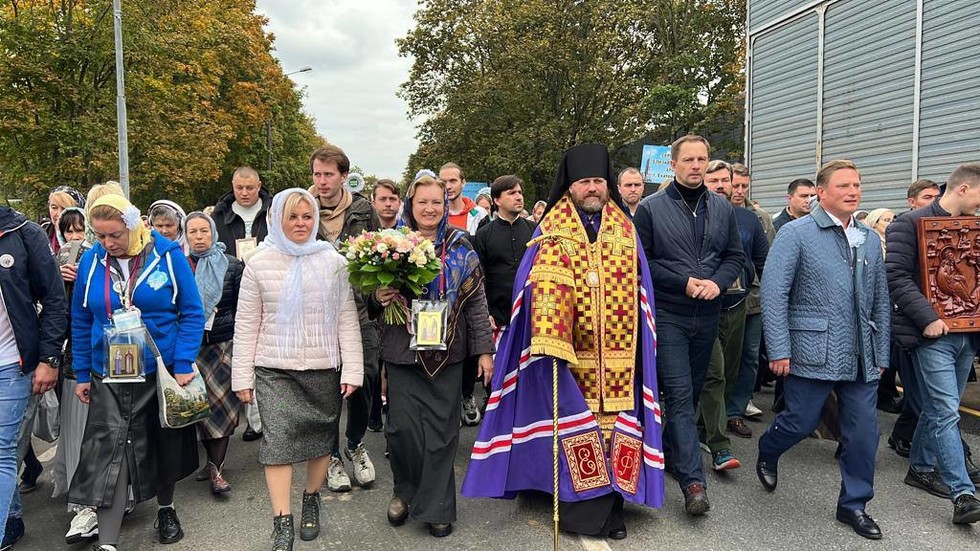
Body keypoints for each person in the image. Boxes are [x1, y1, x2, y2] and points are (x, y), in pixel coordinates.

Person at [462, 144, 665, 541]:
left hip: (621, 354)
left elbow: (644, 288)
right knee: (575, 425)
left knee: (617, 427)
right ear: (570, 186)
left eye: (598, 181)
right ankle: (584, 509)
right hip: (569, 353)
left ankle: (615, 502)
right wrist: (551, 331)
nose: (592, 188)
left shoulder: (625, 228)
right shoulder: (552, 227)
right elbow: (535, 283)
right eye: (584, 182)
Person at [756, 160, 890, 540]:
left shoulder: (868, 238)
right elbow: (775, 294)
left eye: (857, 185)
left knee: (863, 434)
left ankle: (854, 504)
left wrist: (882, 353)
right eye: (844, 185)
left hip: (862, 354)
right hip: (813, 348)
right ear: (822, 192)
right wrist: (778, 349)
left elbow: (880, 300)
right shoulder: (796, 234)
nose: (853, 191)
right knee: (800, 422)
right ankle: (769, 448)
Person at [69, 194, 205, 550]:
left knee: (162, 444)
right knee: (107, 452)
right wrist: (82, 372)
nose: (107, 243)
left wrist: (184, 362)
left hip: (158, 369)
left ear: (133, 226)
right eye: (100, 235)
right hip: (108, 371)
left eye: (114, 235)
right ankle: (108, 542)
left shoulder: (168, 255)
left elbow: (192, 312)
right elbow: (81, 319)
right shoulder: (92, 260)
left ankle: (166, 508)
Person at [232, 188, 363, 551]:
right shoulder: (258, 262)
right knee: (277, 445)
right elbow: (247, 324)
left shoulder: (332, 260)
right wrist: (242, 377)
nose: (301, 223)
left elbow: (346, 318)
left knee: (321, 440)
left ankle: (311, 499)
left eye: (307, 217)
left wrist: (353, 369)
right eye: (293, 217)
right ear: (277, 218)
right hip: (274, 369)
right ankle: (282, 522)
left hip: (322, 366)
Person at [372, 174, 494, 538]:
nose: (430, 209)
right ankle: (404, 492)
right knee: (403, 430)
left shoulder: (462, 246)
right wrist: (377, 296)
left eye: (436, 202)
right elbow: (367, 297)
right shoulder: (390, 244)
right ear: (410, 205)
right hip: (402, 351)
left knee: (442, 433)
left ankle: (438, 506)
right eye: (422, 202)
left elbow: (476, 303)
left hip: (448, 352)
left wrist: (484, 351)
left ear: (445, 205)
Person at [632, 135, 745, 516]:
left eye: (702, 159)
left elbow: (734, 256)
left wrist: (718, 282)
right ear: (674, 164)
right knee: (679, 395)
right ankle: (693, 484)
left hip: (709, 312)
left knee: (693, 392)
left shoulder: (722, 207)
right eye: (689, 160)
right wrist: (684, 282)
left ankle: (667, 449)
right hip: (670, 313)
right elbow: (643, 261)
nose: (696, 166)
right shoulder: (651, 208)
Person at [885, 164, 980, 524]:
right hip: (931, 335)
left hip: (967, 333)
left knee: (943, 407)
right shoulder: (908, 224)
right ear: (963, 189)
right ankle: (962, 493)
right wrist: (928, 318)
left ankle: (921, 468)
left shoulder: (974, 228)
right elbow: (896, 277)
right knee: (944, 411)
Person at [308, 144, 381, 492]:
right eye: (317, 174)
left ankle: (354, 442)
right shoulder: (301, 209)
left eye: (328, 174)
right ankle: (332, 455)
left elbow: (380, 253)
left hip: (359, 310)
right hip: (317, 317)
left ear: (343, 176)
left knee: (365, 378)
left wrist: (375, 295)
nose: (322, 181)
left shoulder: (364, 210)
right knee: (326, 390)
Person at [0, 204, 66, 550]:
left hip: (12, 363)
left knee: (1, 450)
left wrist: (49, 358)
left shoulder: (23, 233)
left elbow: (54, 299)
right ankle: (11, 519)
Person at [698, 160, 767, 470]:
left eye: (725, 180)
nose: (721, 185)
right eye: (714, 180)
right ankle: (716, 441)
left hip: (738, 303)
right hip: (702, 305)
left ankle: (709, 425)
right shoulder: (693, 214)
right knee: (713, 371)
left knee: (730, 370)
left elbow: (763, 259)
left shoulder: (748, 219)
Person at [49, 207, 101, 545]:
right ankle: (84, 504)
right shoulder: (56, 263)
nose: (75, 237)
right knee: (77, 433)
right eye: (68, 231)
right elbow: (55, 315)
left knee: (108, 433)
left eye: (81, 230)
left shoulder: (104, 261)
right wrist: (60, 279)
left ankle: (115, 496)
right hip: (74, 363)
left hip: (109, 359)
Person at [183, 212, 244, 495]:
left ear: (213, 232)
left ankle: (216, 470)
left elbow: (243, 306)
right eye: (192, 232)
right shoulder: (179, 265)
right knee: (202, 410)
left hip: (223, 345)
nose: (199, 237)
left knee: (222, 408)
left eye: (204, 231)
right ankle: (211, 463)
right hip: (192, 348)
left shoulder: (231, 265)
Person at [440, 162, 490, 427]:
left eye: (452, 181)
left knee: (469, 347)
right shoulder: (434, 210)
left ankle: (468, 395)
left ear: (463, 183)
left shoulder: (478, 214)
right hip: (439, 295)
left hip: (469, 290)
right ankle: (448, 404)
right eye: (443, 182)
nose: (448, 186)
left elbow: (482, 257)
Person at [472, 175, 536, 345]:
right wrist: (485, 312)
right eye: (511, 193)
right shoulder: (484, 235)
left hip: (531, 316)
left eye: (520, 192)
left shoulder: (535, 231)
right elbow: (479, 277)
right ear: (497, 200)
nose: (519, 197)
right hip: (498, 320)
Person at [212, 166, 273, 261]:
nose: (244, 193)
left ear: (259, 186)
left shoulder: (274, 211)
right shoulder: (219, 214)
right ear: (233, 185)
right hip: (230, 269)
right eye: (239, 188)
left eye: (250, 188)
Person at [732, 163, 776, 241]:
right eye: (735, 186)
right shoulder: (717, 213)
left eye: (744, 186)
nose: (740, 191)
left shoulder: (762, 217)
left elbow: (771, 245)